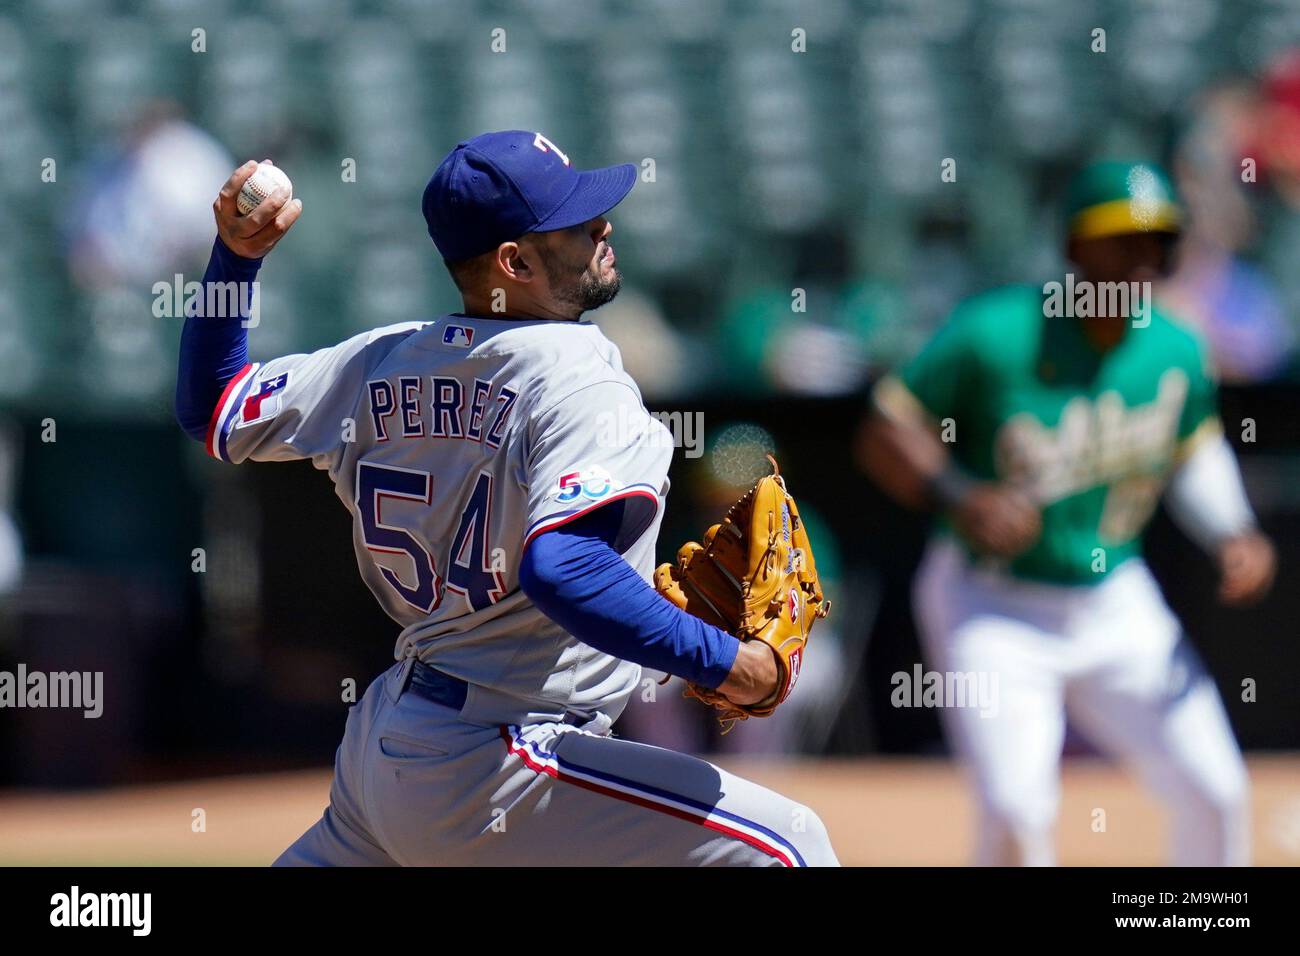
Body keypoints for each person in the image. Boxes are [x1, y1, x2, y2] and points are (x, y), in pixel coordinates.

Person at [174, 131, 838, 866]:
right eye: (576, 223)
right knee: (792, 849)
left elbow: (213, 406)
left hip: (390, 746)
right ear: (514, 263)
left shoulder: (384, 356)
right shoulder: (580, 381)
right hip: (503, 761)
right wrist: (728, 664)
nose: (603, 228)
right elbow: (563, 569)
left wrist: (236, 259)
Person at [857, 160, 1275, 866]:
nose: (1141, 258)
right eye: (1121, 241)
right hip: (992, 605)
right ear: (1076, 248)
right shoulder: (997, 332)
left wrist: (1232, 529)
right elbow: (885, 428)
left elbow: (1194, 449)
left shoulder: (1175, 346)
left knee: (1216, 790)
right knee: (1018, 815)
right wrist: (960, 494)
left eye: (1156, 241)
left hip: (1116, 602)